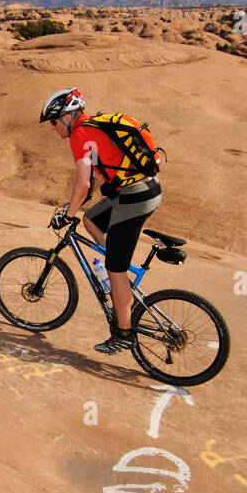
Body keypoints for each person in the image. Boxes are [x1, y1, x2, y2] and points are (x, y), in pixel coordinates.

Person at [39, 88, 162, 354]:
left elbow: (82, 182)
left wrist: (67, 215)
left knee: (115, 268)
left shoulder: (80, 135)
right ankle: (116, 268)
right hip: (143, 189)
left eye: (53, 121)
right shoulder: (95, 127)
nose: (52, 128)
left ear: (68, 117)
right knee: (91, 219)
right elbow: (97, 177)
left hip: (135, 198)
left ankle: (124, 333)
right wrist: (79, 206)